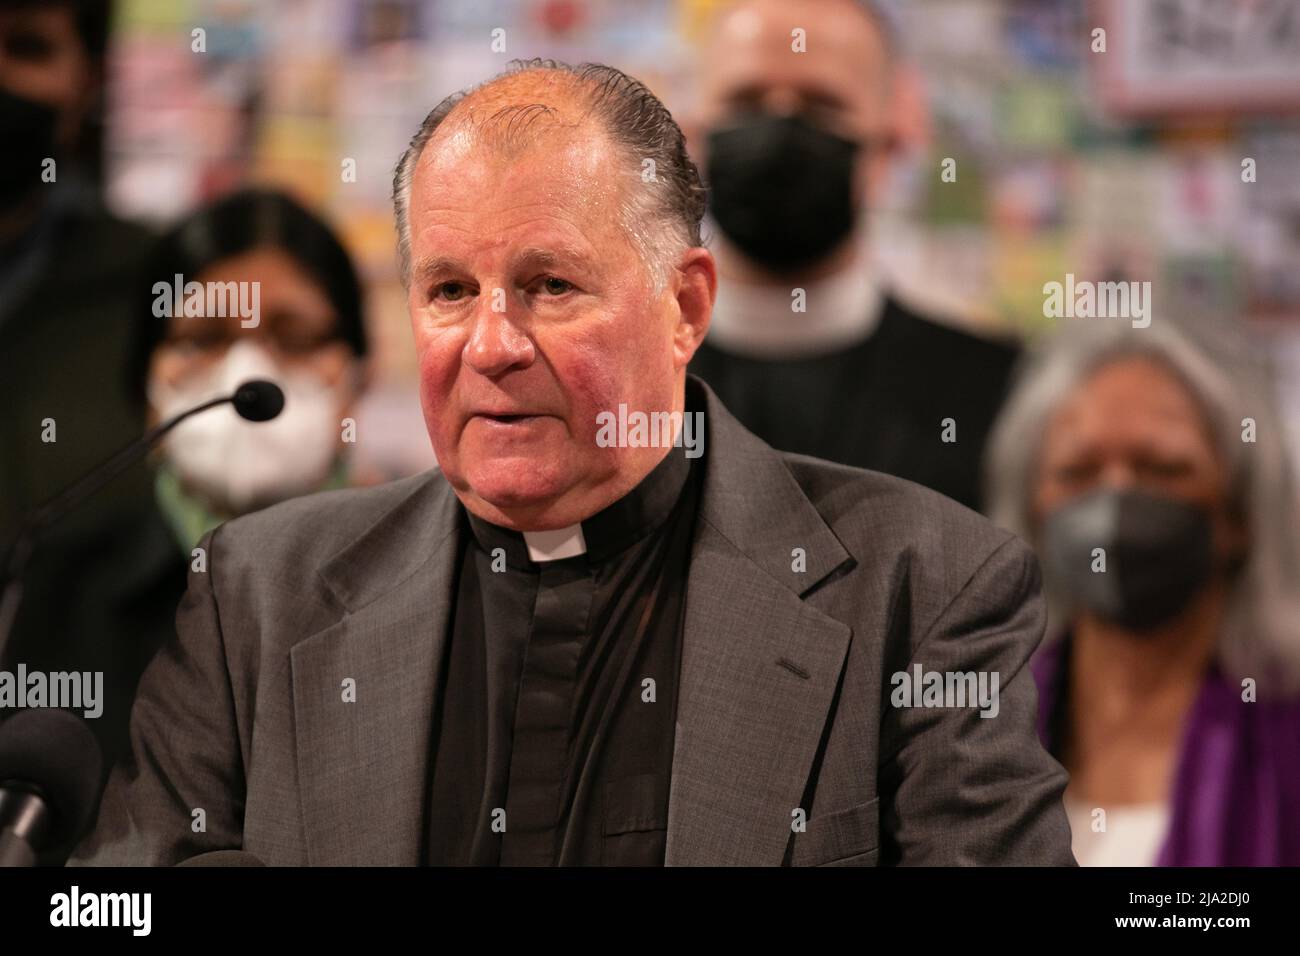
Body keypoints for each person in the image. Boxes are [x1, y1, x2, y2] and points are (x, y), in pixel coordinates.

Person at [72, 59, 1072, 867]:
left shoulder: (922, 586)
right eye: (450, 289)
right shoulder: (258, 591)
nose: (491, 343)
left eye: (549, 284)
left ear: (684, 306)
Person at [985, 322, 1300, 865]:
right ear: (1033, 505)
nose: (1114, 503)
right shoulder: (971, 740)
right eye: (1078, 471)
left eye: (1162, 469)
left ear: (1240, 511)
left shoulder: (1285, 748)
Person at [687, 0, 1018, 511]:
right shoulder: (618, 384)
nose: (778, 132)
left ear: (887, 146)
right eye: (746, 101)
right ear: (696, 134)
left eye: (822, 106)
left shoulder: (996, 395)